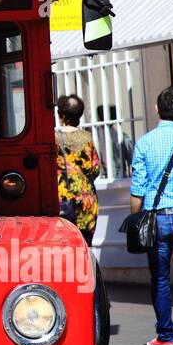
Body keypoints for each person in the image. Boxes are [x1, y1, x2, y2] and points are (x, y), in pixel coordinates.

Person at [130, 85, 173, 345]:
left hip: (157, 217)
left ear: (157, 109)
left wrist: (135, 219)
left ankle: (166, 336)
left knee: (159, 278)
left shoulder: (145, 142)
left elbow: (138, 189)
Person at [55, 94, 100, 246]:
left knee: (65, 247)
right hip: (86, 199)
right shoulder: (87, 137)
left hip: (62, 200)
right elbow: (95, 169)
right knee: (86, 246)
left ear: (61, 115)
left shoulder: (53, 138)